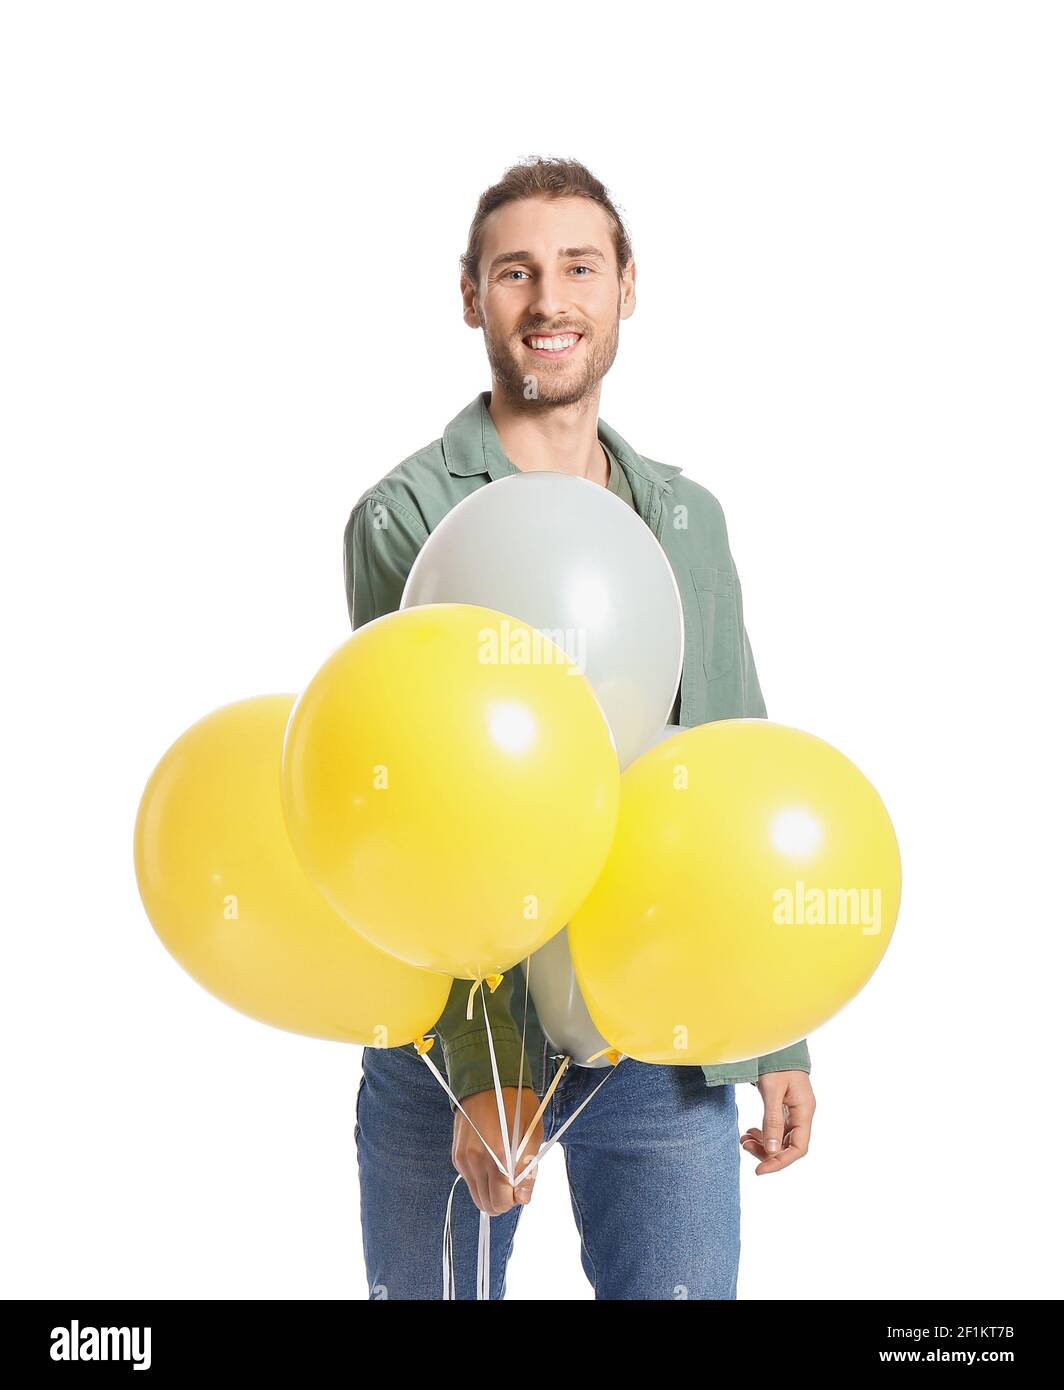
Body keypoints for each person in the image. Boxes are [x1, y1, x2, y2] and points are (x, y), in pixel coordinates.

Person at [346, 158, 815, 1300]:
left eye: (579, 268)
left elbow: (730, 758)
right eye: (515, 272)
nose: (549, 300)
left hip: (659, 1030)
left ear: (626, 288)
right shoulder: (406, 516)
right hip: (458, 1042)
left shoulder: (686, 519)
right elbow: (408, 809)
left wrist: (774, 1029)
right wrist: (483, 1068)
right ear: (471, 297)